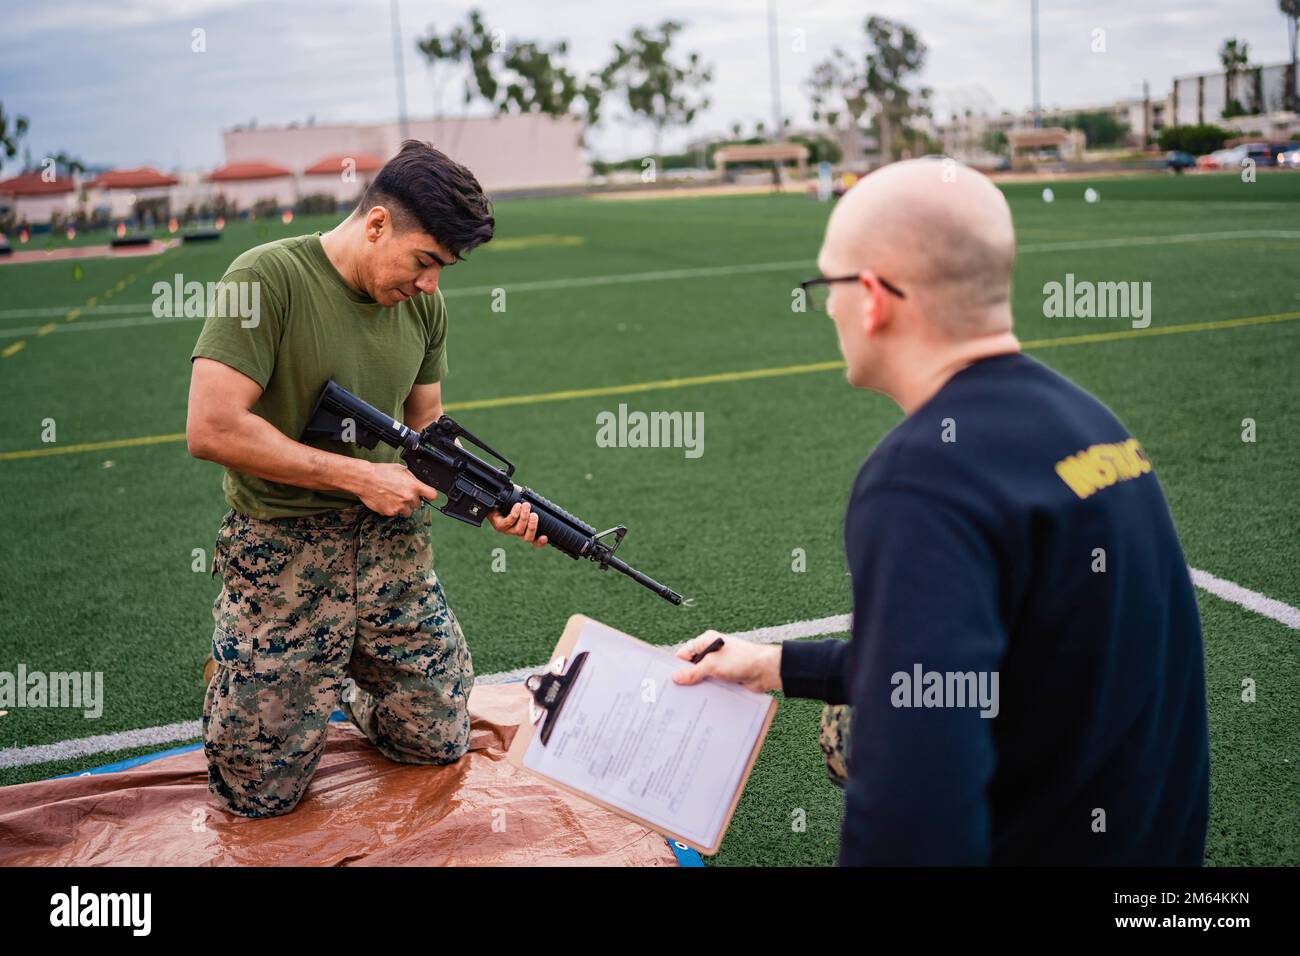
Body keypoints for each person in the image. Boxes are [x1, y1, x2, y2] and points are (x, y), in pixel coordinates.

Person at [672, 158, 1210, 865]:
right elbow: (986, 667)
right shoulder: (1091, 425)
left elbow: (912, 819)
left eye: (824, 285)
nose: (825, 308)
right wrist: (774, 665)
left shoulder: (922, 477)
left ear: (870, 297)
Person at [186, 141, 546, 818]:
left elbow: (426, 436)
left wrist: (493, 500)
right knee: (257, 795)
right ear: (376, 224)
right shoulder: (265, 279)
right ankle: (253, 679)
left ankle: (343, 686)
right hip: (282, 551)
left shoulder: (423, 310)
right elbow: (212, 427)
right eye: (425, 262)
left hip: (389, 547)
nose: (431, 284)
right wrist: (357, 475)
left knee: (438, 738)